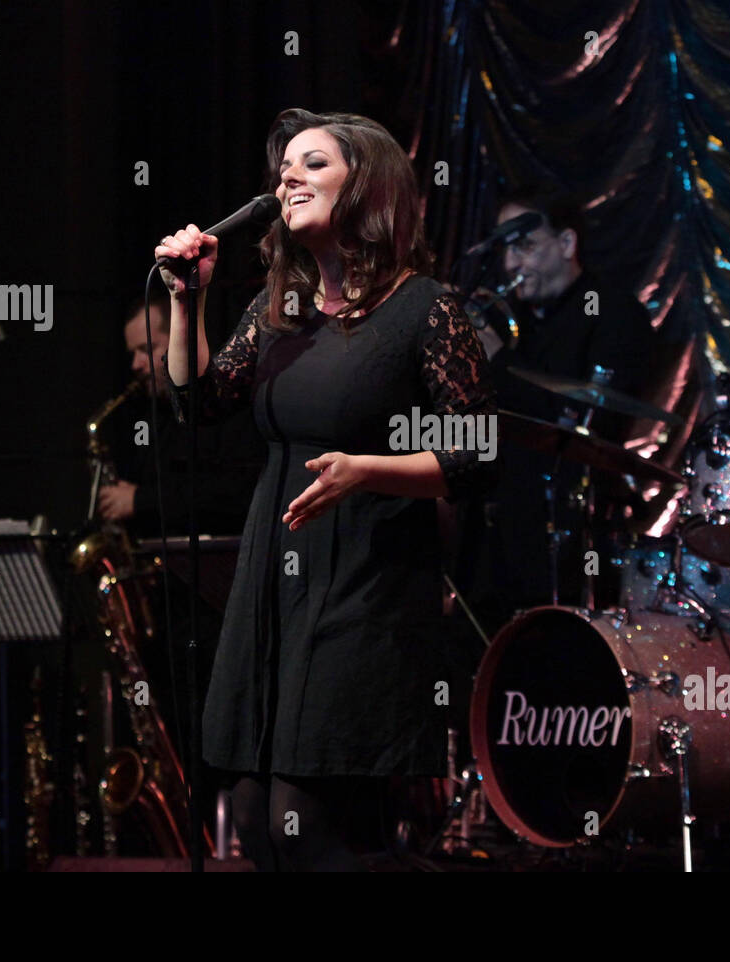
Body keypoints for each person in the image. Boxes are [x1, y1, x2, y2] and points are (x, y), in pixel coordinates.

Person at [155, 108, 496, 871]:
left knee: (307, 816)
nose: (288, 177)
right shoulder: (282, 310)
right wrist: (187, 299)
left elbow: (477, 454)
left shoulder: (425, 310)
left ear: (366, 187)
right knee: (250, 805)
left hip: (367, 580)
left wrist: (364, 469)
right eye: (284, 167)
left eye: (313, 164)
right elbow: (200, 403)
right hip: (275, 577)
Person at [455, 188, 658, 630]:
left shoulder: (615, 315)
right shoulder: (516, 320)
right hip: (499, 522)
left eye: (525, 247)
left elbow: (582, 423)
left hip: (573, 528)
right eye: (506, 249)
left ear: (567, 245)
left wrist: (497, 362)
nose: (511, 265)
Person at [98, 291, 265, 538]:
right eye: (133, 353)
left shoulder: (226, 403)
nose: (135, 364)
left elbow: (235, 493)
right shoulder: (150, 413)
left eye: (146, 349)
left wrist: (139, 500)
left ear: (179, 339)